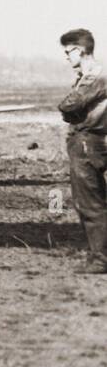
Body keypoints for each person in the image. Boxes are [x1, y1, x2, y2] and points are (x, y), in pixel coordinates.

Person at [58, 29, 107, 274]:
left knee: (90, 203)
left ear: (79, 50)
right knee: (93, 200)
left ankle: (100, 260)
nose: (67, 57)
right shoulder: (90, 75)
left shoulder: (95, 75)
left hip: (87, 141)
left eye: (68, 52)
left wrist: (70, 110)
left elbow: (69, 104)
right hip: (89, 140)